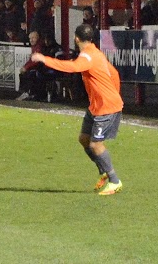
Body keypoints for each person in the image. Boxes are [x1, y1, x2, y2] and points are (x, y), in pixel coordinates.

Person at [31, 23, 125, 194]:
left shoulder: (88, 57)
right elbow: (115, 74)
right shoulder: (95, 53)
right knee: (83, 138)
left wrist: (45, 59)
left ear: (76, 38)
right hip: (96, 105)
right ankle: (103, 170)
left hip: (106, 106)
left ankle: (115, 180)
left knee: (96, 145)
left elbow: (73, 67)